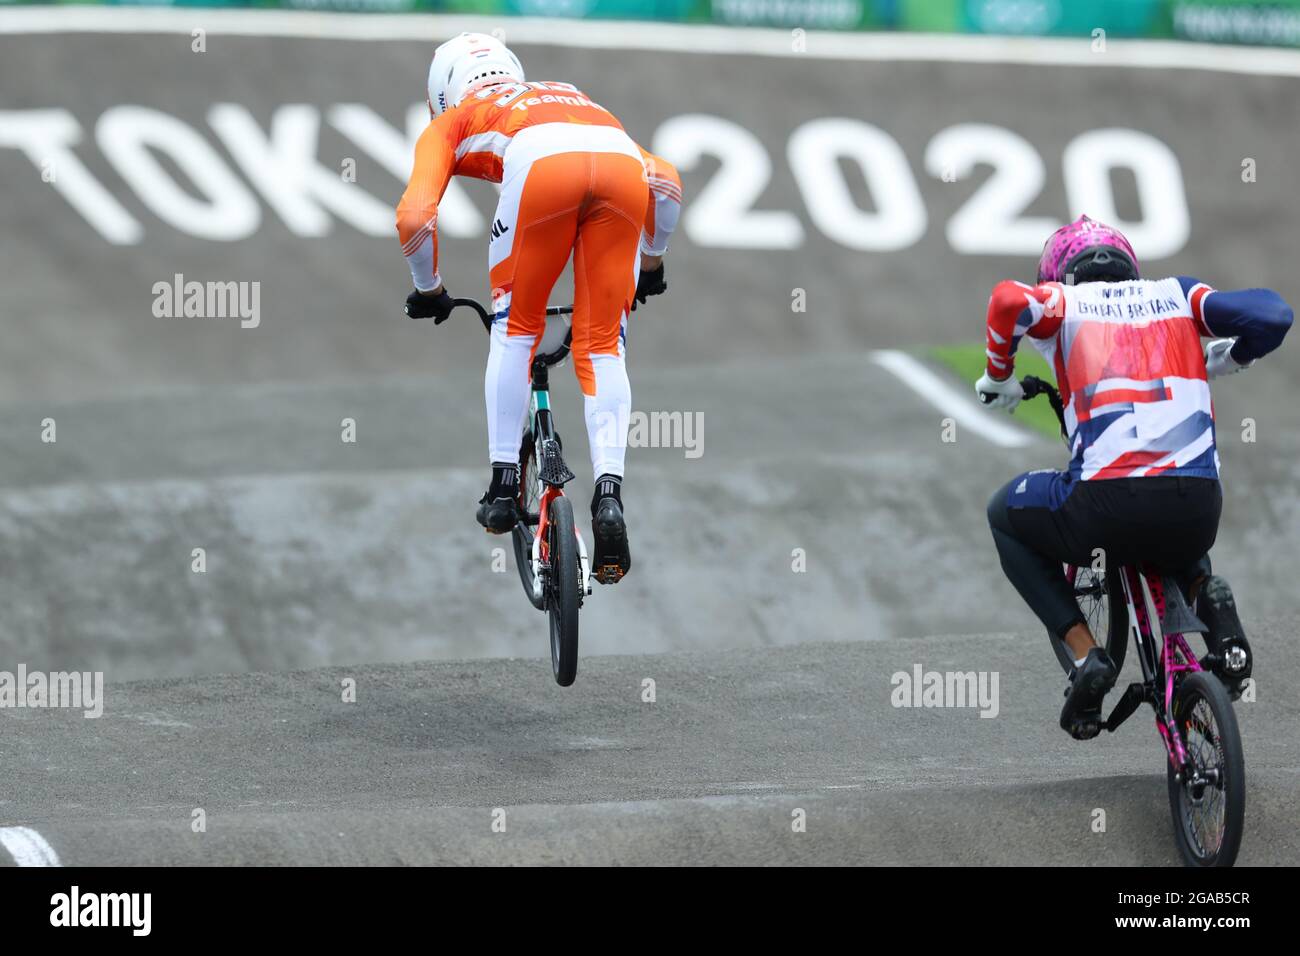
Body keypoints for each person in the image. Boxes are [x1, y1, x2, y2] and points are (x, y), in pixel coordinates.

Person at [976, 215, 1292, 737]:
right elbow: (1275, 315)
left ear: (1058, 274)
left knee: (1003, 515)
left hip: (1106, 507)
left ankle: (1087, 657)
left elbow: (1007, 302)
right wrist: (1233, 356)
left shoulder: (1063, 304)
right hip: (1197, 507)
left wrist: (998, 374)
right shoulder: (1178, 295)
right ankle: (1212, 609)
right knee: (1172, 496)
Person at [396, 33, 682, 584]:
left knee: (515, 329)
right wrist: (652, 265)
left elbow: (414, 217)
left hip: (541, 170)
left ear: (444, 92)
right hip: (620, 170)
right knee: (601, 344)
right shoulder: (571, 95)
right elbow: (666, 181)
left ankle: (504, 486)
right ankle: (609, 496)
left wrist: (428, 287)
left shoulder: (452, 121)